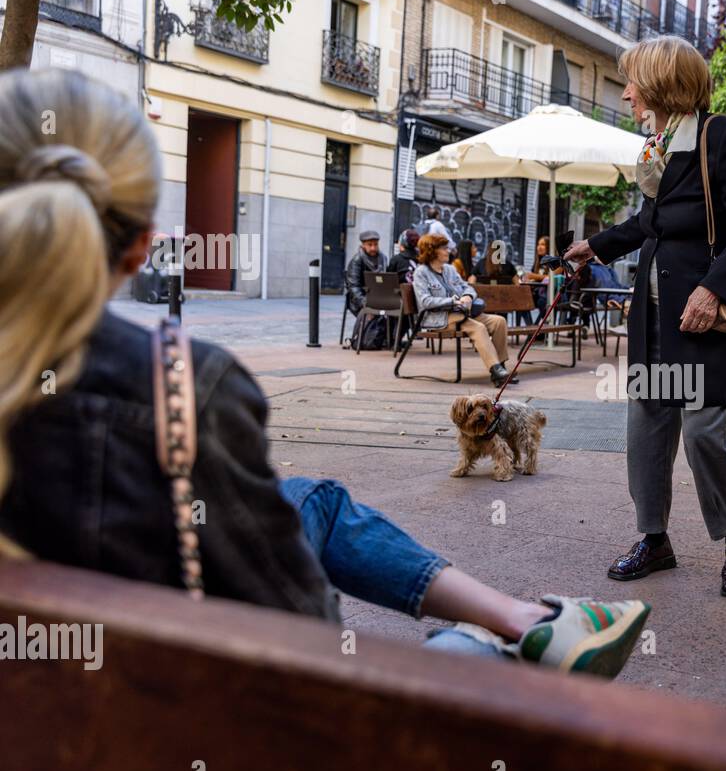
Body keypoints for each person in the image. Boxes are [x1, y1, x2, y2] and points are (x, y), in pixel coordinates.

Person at [0, 68, 648, 677]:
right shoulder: (185, 386)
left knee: (312, 498)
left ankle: (516, 615)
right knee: (461, 645)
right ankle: (515, 625)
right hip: (209, 741)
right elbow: (304, 632)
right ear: (144, 242)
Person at [564, 35, 726, 598]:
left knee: (706, 434)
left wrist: (711, 289)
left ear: (661, 83)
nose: (627, 93)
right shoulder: (659, 145)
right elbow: (651, 224)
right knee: (648, 431)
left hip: (706, 320)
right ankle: (654, 538)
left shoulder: (720, 137)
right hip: (658, 325)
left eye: (633, 82)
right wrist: (598, 245)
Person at [412, 233, 514, 388]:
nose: (449, 251)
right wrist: (453, 301)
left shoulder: (449, 269)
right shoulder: (421, 273)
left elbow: (467, 286)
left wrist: (467, 297)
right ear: (432, 251)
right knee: (478, 328)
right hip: (439, 318)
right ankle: (495, 370)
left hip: (462, 314)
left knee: (499, 321)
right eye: (444, 248)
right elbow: (425, 301)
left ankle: (502, 368)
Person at [344, 230, 388, 348]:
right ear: (363, 245)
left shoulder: (383, 258)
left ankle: (389, 338)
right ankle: (370, 339)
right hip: (359, 299)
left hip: (378, 297)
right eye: (370, 245)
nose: (373, 248)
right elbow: (353, 287)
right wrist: (365, 302)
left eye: (376, 244)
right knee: (375, 312)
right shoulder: (357, 261)